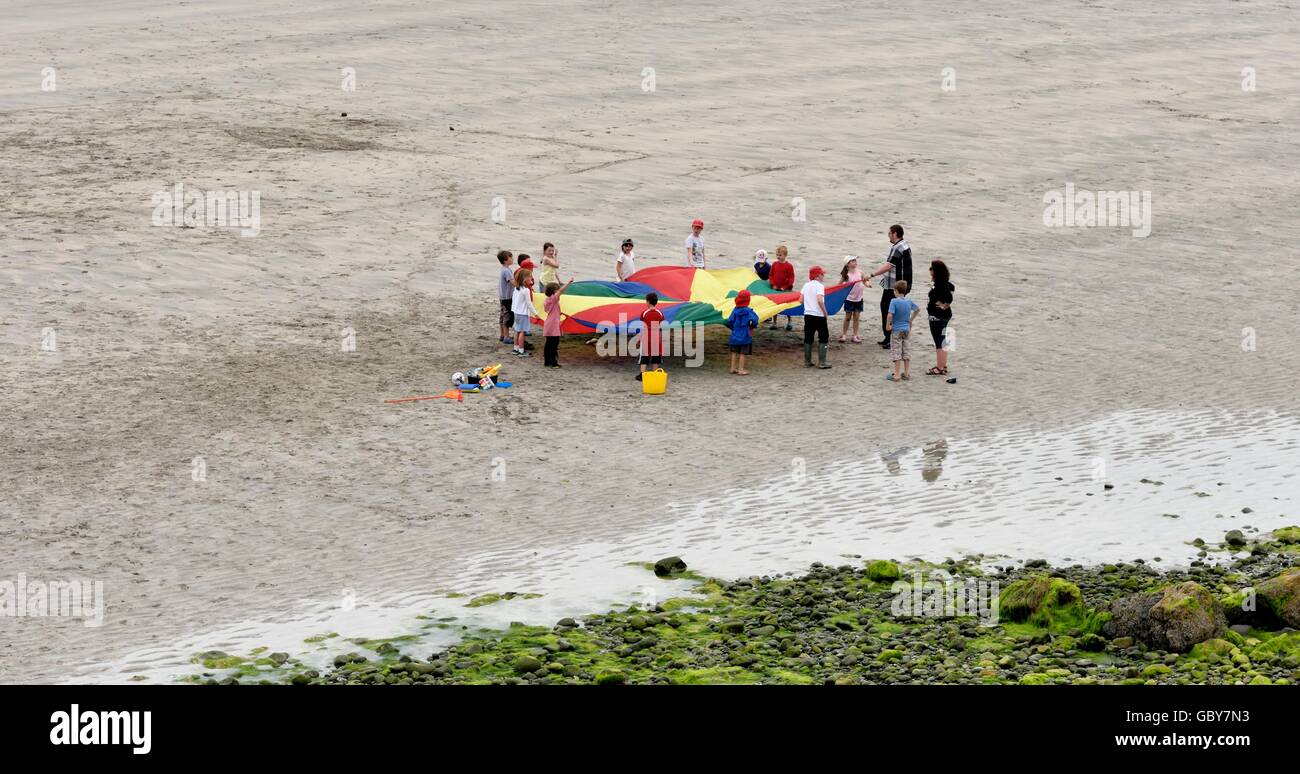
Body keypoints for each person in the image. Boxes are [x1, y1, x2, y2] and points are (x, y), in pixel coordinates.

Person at [866, 225, 913, 348]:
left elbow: (888, 266)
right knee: (889, 309)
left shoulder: (898, 247)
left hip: (895, 286)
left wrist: (872, 274)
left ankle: (891, 339)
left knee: (889, 310)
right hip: (900, 285)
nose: (888, 236)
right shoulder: (905, 245)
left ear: (895, 233)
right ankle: (888, 338)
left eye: (889, 234)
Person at [885, 280, 920, 381]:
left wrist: (888, 326)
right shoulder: (909, 301)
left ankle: (896, 374)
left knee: (897, 351)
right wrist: (910, 320)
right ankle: (906, 373)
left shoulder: (894, 301)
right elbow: (917, 309)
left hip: (896, 330)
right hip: (906, 329)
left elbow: (890, 315)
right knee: (906, 350)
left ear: (896, 290)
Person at [926, 259, 954, 376]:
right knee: (943, 341)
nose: (930, 270)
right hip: (944, 316)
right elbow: (952, 289)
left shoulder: (940, 284)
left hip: (937, 317)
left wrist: (943, 305)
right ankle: (943, 365)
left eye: (931, 269)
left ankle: (940, 367)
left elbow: (949, 297)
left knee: (939, 342)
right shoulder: (945, 282)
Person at [801, 265, 831, 369]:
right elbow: (819, 300)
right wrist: (825, 312)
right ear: (818, 276)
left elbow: (800, 300)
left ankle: (807, 361)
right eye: (822, 274)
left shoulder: (806, 285)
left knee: (808, 337)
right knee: (824, 337)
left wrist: (808, 305)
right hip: (818, 315)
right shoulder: (820, 286)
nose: (823, 276)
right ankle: (822, 362)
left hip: (808, 314)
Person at [725, 289, 759, 375]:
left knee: (734, 352)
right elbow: (755, 319)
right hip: (745, 335)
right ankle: (741, 369)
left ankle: (732, 368)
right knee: (742, 353)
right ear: (748, 300)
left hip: (735, 335)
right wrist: (752, 326)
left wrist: (733, 328)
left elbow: (729, 321)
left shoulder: (735, 310)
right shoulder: (748, 311)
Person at [543, 278, 574, 368]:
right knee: (553, 345)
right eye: (557, 291)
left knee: (549, 344)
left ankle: (547, 361)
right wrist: (568, 283)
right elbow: (561, 291)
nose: (559, 293)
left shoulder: (548, 300)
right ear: (553, 292)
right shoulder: (552, 299)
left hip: (550, 325)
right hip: (552, 326)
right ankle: (553, 362)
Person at [636, 292, 665, 381]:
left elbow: (644, 328)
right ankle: (654, 374)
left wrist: (639, 339)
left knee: (644, 356)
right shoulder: (660, 313)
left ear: (648, 302)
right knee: (656, 356)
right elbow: (661, 327)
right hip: (656, 337)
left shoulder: (644, 313)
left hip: (647, 337)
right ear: (656, 302)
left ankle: (642, 375)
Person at [838, 255, 866, 343]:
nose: (855, 262)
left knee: (856, 317)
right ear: (848, 264)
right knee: (847, 317)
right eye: (853, 260)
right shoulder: (846, 275)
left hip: (859, 298)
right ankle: (844, 334)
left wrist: (867, 284)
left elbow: (865, 280)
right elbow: (839, 285)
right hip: (849, 299)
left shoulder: (860, 272)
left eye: (855, 260)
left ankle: (855, 335)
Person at [768, 244, 795, 330]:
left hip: (786, 290)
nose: (778, 257)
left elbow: (791, 278)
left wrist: (785, 287)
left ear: (785, 255)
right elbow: (771, 275)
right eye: (777, 255)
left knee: (787, 305)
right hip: (775, 289)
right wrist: (773, 285)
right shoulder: (774, 264)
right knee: (774, 305)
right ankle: (774, 322)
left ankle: (789, 322)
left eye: (780, 255)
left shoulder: (789, 266)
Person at [510, 267, 535, 357]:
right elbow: (529, 304)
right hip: (523, 313)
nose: (532, 278)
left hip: (516, 312)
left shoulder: (517, 289)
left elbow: (514, 300)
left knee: (517, 330)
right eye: (530, 277)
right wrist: (535, 313)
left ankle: (515, 348)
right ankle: (521, 351)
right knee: (522, 332)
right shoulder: (526, 290)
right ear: (525, 279)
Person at [497, 249, 515, 344]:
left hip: (502, 297)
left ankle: (502, 334)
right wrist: (522, 284)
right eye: (510, 257)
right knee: (507, 317)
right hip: (507, 298)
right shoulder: (507, 271)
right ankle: (507, 337)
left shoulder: (504, 269)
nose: (512, 259)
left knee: (502, 316)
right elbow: (513, 283)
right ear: (505, 260)